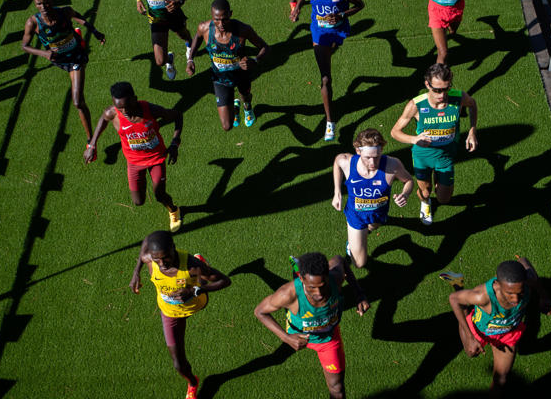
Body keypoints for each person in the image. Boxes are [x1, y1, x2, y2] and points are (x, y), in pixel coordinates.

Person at [130, 230, 231, 399]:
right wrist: (136, 272)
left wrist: (195, 291)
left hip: (195, 304)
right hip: (170, 313)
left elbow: (225, 281)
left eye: (166, 257)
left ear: (173, 249)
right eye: (157, 259)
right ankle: (192, 382)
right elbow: (147, 240)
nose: (162, 264)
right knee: (178, 365)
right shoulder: (150, 259)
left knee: (200, 276)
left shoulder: (191, 266)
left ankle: (201, 272)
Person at [254, 252, 369, 399]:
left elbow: (340, 260)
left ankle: (299, 266)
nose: (319, 293)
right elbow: (260, 311)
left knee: (337, 388)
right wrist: (287, 338)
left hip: (328, 340)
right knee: (287, 297)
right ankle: (288, 267)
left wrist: (359, 293)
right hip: (297, 332)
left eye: (322, 285)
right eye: (312, 287)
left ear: (328, 275)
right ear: (302, 279)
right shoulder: (287, 294)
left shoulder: (336, 277)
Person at [83, 82, 184, 231]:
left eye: (126, 106)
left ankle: (174, 210)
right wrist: (92, 145)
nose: (123, 111)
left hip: (156, 158)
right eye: (119, 107)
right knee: (138, 201)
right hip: (134, 162)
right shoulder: (112, 113)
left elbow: (177, 115)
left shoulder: (150, 110)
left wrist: (175, 143)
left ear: (134, 99)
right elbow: (103, 120)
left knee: (159, 194)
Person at [449, 257, 551, 395]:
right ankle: (457, 283)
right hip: (480, 329)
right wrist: (469, 337)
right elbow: (454, 299)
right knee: (471, 353)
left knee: (501, 379)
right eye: (509, 293)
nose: (515, 299)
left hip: (507, 334)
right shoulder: (482, 296)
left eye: (520, 293)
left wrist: (544, 297)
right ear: (498, 285)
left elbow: (528, 269)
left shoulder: (529, 280)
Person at [390, 63, 477, 225]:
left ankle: (438, 182)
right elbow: (395, 132)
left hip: (446, 156)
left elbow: (472, 105)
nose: (442, 95)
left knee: (444, 198)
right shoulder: (416, 105)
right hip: (423, 157)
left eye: (446, 89)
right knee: (425, 190)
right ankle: (425, 203)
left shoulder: (458, 98)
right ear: (427, 84)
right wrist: (413, 139)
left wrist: (472, 131)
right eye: (437, 90)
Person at [21, 0, 105, 152]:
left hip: (76, 56)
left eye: (46, 3)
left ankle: (91, 141)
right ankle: (75, 36)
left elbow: (78, 16)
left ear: (52, 0)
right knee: (76, 95)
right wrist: (44, 53)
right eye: (39, 4)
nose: (43, 7)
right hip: (60, 61)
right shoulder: (33, 22)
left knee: (77, 102)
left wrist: (95, 31)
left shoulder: (64, 12)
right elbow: (24, 45)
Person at [290, 0, 365, 141]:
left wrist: (342, 15)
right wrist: (297, 8)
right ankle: (330, 122)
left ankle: (329, 50)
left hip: (338, 31)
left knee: (328, 55)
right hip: (319, 33)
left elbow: (360, 5)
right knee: (325, 78)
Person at [332, 128, 414, 268]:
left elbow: (409, 181)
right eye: (367, 157)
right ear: (358, 151)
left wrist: (405, 194)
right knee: (359, 263)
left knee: (373, 226)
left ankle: (366, 232)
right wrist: (337, 191)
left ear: (381, 149)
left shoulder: (392, 165)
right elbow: (337, 162)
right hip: (355, 216)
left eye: (376, 157)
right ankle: (351, 243)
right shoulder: (347, 162)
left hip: (379, 214)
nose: (372, 162)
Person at [186, 0, 269, 130]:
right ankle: (234, 106)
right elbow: (197, 37)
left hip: (241, 74)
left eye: (224, 19)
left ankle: (247, 107)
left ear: (230, 14)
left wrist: (255, 60)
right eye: (217, 19)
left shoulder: (243, 30)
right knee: (226, 126)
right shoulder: (204, 28)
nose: (221, 23)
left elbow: (264, 47)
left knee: (245, 96)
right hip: (220, 78)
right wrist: (190, 59)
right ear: (212, 16)